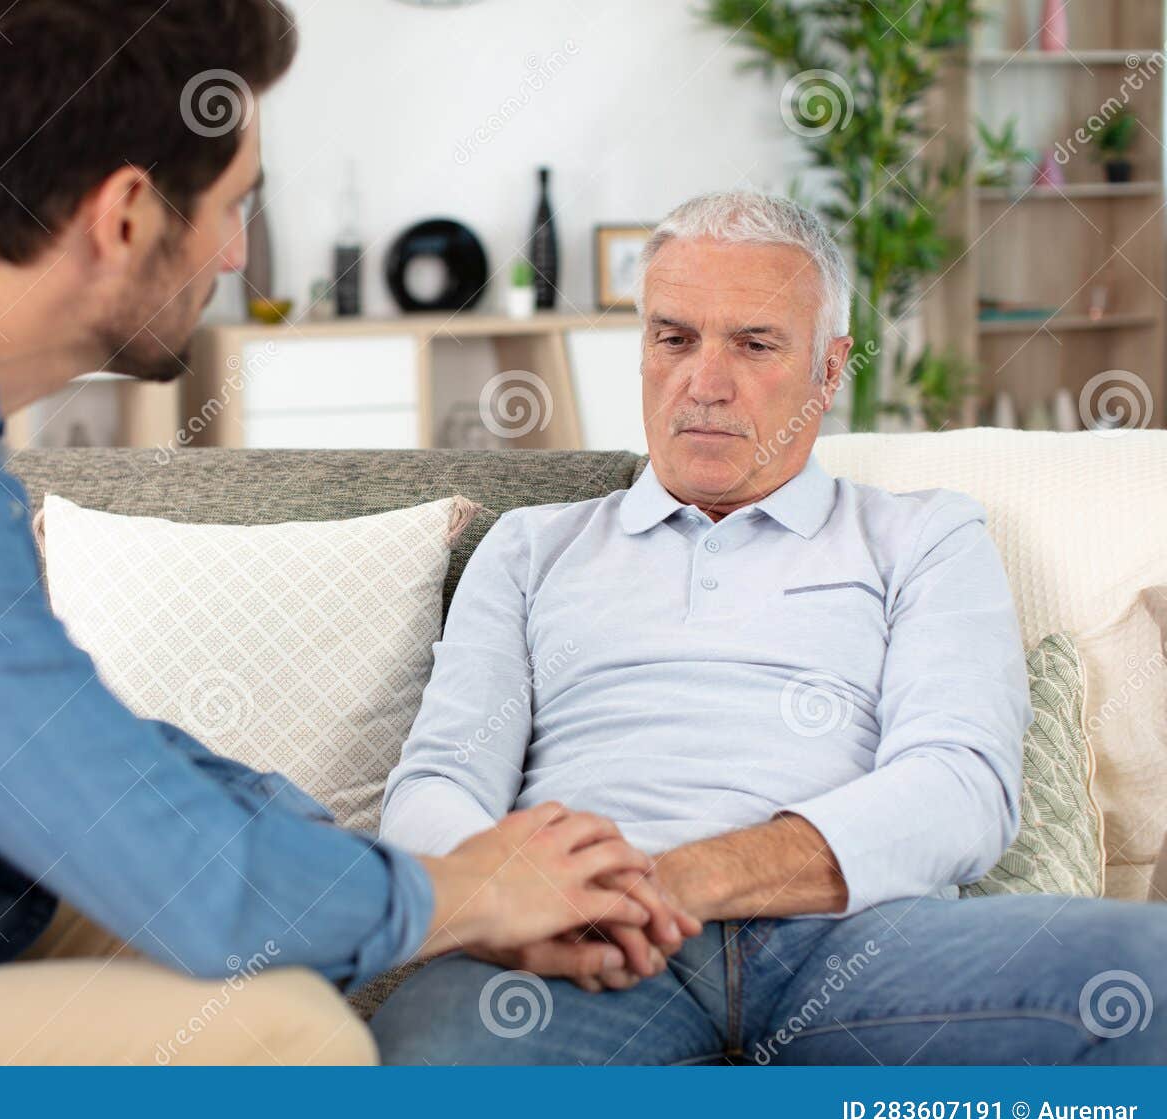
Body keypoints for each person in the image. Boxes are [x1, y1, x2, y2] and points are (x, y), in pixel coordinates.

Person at [0, 0, 673, 1067]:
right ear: (128, 215)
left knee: (291, 958)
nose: (238, 253)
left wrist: (424, 887)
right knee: (288, 1039)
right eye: (236, 203)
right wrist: (465, 891)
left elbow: (78, 752)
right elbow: (175, 866)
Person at [371, 190, 1167, 1065]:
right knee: (433, 1063)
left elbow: (963, 784)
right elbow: (434, 789)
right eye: (674, 338)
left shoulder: (924, 535)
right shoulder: (531, 548)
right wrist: (512, 895)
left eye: (753, 345)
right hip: (584, 949)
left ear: (830, 371)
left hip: (852, 936)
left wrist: (685, 877)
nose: (704, 384)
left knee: (1141, 970)